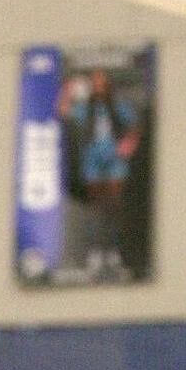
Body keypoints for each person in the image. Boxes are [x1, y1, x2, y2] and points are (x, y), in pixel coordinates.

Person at [57, 68, 141, 278]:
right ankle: (95, 253)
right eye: (95, 85)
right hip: (93, 159)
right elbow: (64, 111)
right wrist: (67, 89)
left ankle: (113, 253)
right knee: (96, 209)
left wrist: (127, 145)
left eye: (101, 84)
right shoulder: (85, 109)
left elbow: (134, 126)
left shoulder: (117, 107)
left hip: (114, 159)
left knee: (113, 208)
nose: (98, 88)